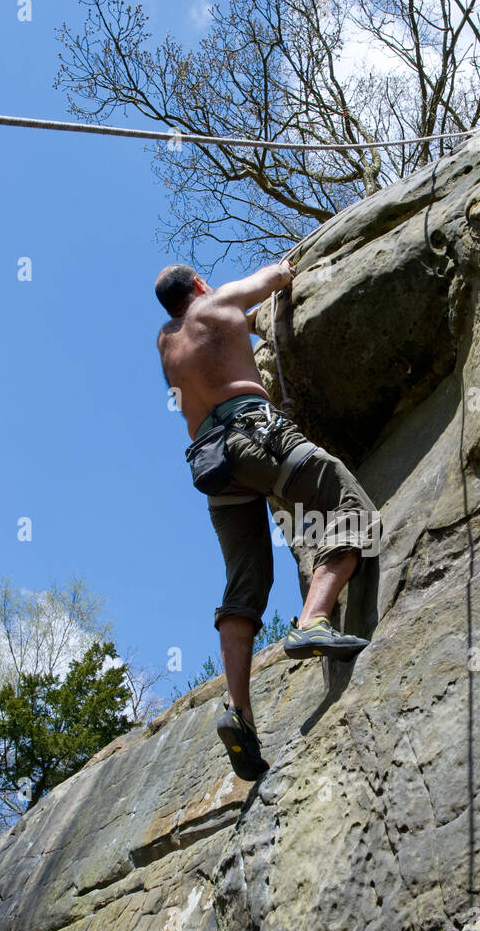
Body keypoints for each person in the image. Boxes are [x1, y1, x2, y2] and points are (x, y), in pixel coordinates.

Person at [155, 260, 379, 781]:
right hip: (253, 433)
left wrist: (245, 321)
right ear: (199, 286)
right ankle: (313, 621)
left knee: (244, 584)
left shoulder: (166, 344)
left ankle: (240, 712)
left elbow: (217, 339)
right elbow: (274, 280)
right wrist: (284, 268)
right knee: (349, 505)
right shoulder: (218, 303)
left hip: (211, 466)